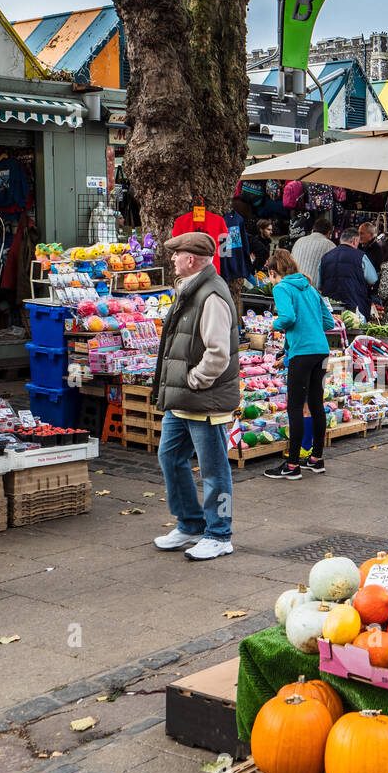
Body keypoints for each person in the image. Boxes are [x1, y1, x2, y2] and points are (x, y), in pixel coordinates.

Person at [152, 232, 238, 560]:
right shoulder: (191, 290)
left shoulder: (211, 295)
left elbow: (218, 353)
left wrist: (195, 380)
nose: (172, 259)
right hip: (184, 399)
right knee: (170, 457)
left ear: (191, 259)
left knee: (215, 471)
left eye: (176, 254)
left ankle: (220, 534)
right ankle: (190, 524)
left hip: (204, 399)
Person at [262, 250, 331, 481]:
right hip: (321, 350)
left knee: (294, 406)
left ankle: (292, 465)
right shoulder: (310, 288)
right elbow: (328, 321)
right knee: (316, 403)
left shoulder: (281, 288)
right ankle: (316, 458)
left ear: (273, 272)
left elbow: (288, 318)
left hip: (302, 353)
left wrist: (273, 324)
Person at [319, 227, 378, 317]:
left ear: (340, 240)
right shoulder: (361, 256)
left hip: (331, 309)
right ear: (355, 241)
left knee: (335, 330)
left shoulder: (325, 257)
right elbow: (372, 280)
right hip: (355, 306)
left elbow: (319, 285)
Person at [289, 214, 335, 288]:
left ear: (313, 230)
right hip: (313, 290)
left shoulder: (299, 241)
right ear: (329, 233)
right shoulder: (330, 245)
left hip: (293, 285)